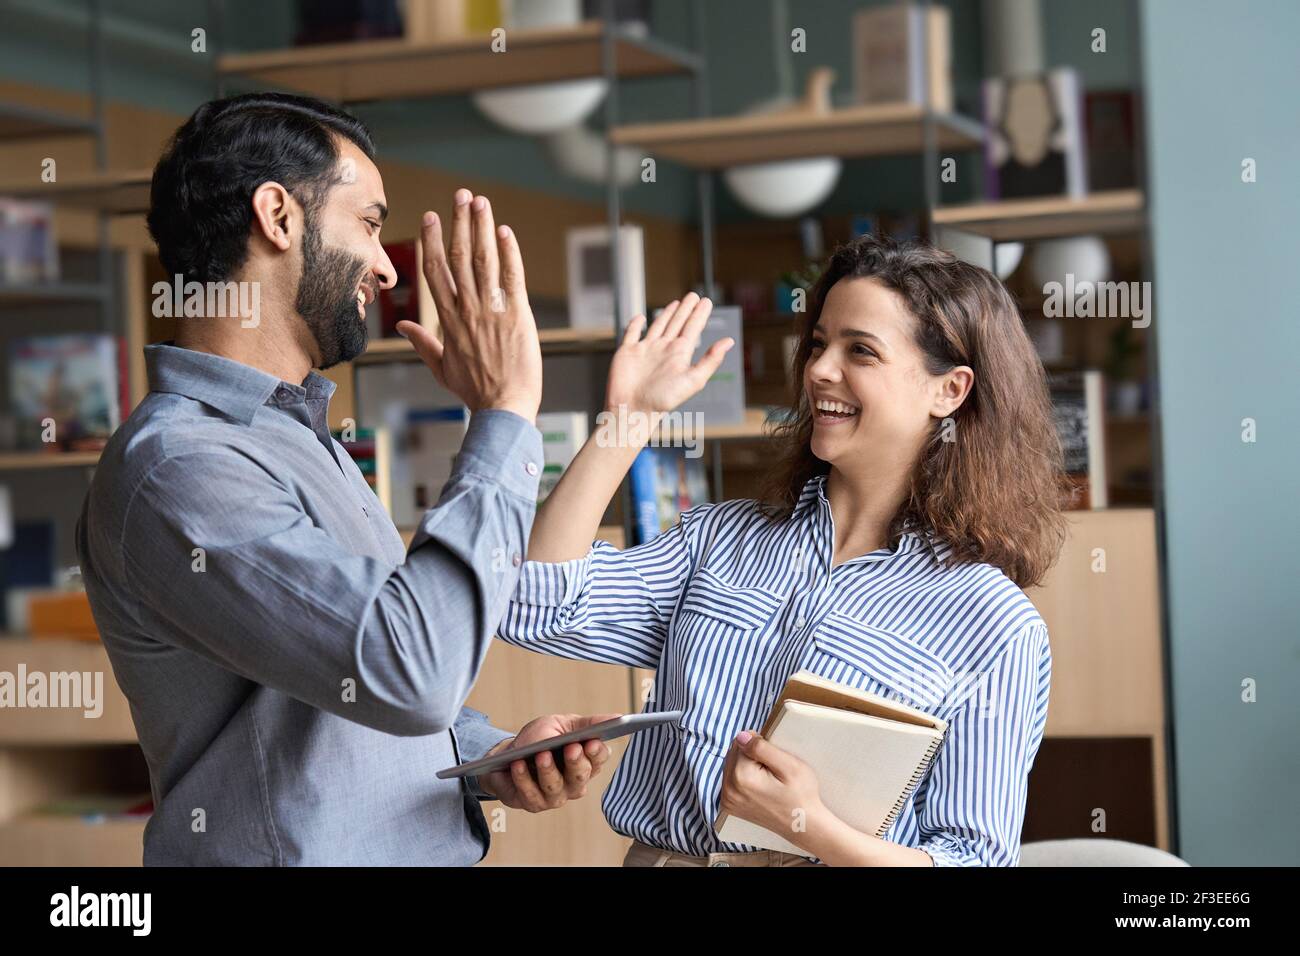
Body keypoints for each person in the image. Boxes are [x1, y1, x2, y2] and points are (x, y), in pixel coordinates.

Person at [76, 92, 616, 865]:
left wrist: (489, 753)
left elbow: (342, 669)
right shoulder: (180, 468)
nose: (385, 263)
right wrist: (505, 412)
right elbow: (411, 670)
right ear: (279, 216)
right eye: (368, 222)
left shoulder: (298, 434)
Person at [494, 235, 1068, 866]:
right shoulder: (718, 538)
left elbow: (974, 861)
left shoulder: (993, 623)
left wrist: (809, 826)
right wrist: (629, 418)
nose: (820, 369)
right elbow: (534, 604)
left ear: (949, 391)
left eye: (862, 351)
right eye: (819, 343)